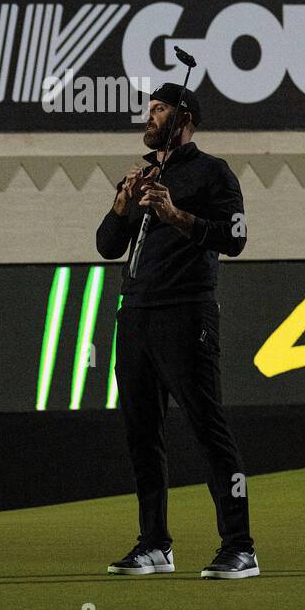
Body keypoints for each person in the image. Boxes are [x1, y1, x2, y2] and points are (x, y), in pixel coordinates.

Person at [96, 83, 258, 580]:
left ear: (182, 117)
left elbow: (236, 237)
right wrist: (124, 202)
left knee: (208, 428)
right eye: (149, 109)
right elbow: (106, 245)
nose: (149, 117)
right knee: (141, 432)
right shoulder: (144, 174)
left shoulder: (213, 172)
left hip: (187, 313)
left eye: (158, 109)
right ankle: (154, 545)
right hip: (136, 314)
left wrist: (177, 215)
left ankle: (240, 547)